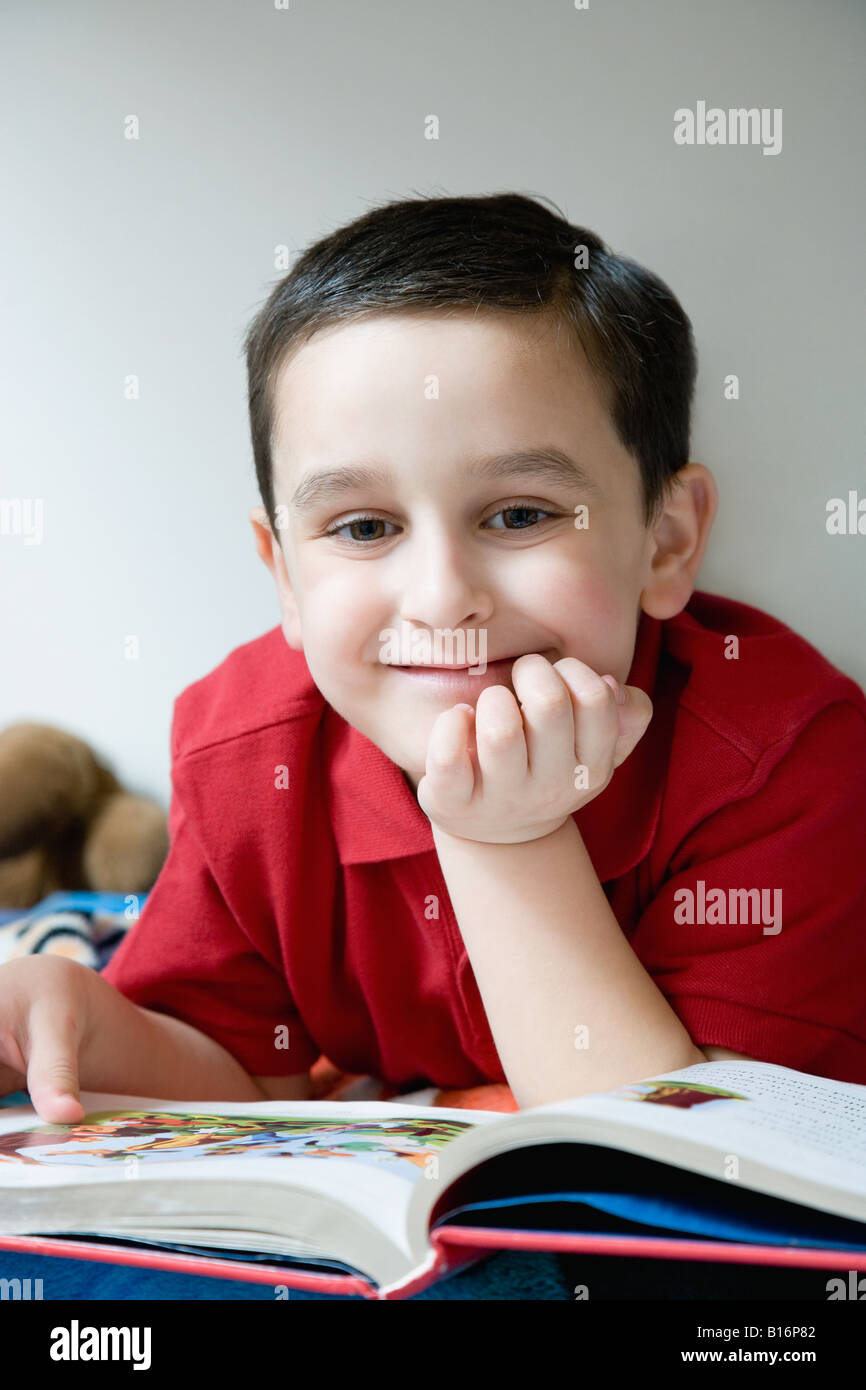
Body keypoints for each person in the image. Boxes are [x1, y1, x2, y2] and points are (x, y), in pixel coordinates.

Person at [2, 192, 865, 1134]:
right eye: (365, 527)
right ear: (285, 577)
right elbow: (246, 1080)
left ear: (664, 540)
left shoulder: (787, 760)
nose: (443, 595)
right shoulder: (247, 753)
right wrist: (88, 1027)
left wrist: (508, 839)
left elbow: (701, 1160)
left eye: (521, 514)